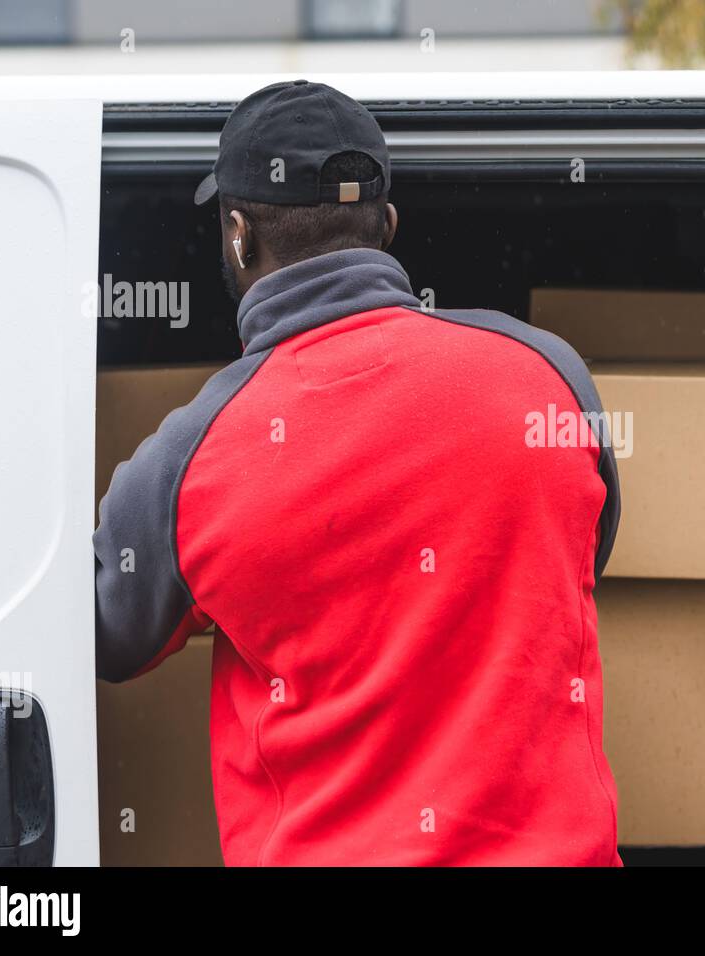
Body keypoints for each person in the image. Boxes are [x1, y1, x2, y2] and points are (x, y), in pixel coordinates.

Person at [93, 80, 622, 866]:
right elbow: (583, 554)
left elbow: (103, 637)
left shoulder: (189, 461)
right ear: (389, 226)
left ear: (238, 236)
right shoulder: (549, 377)